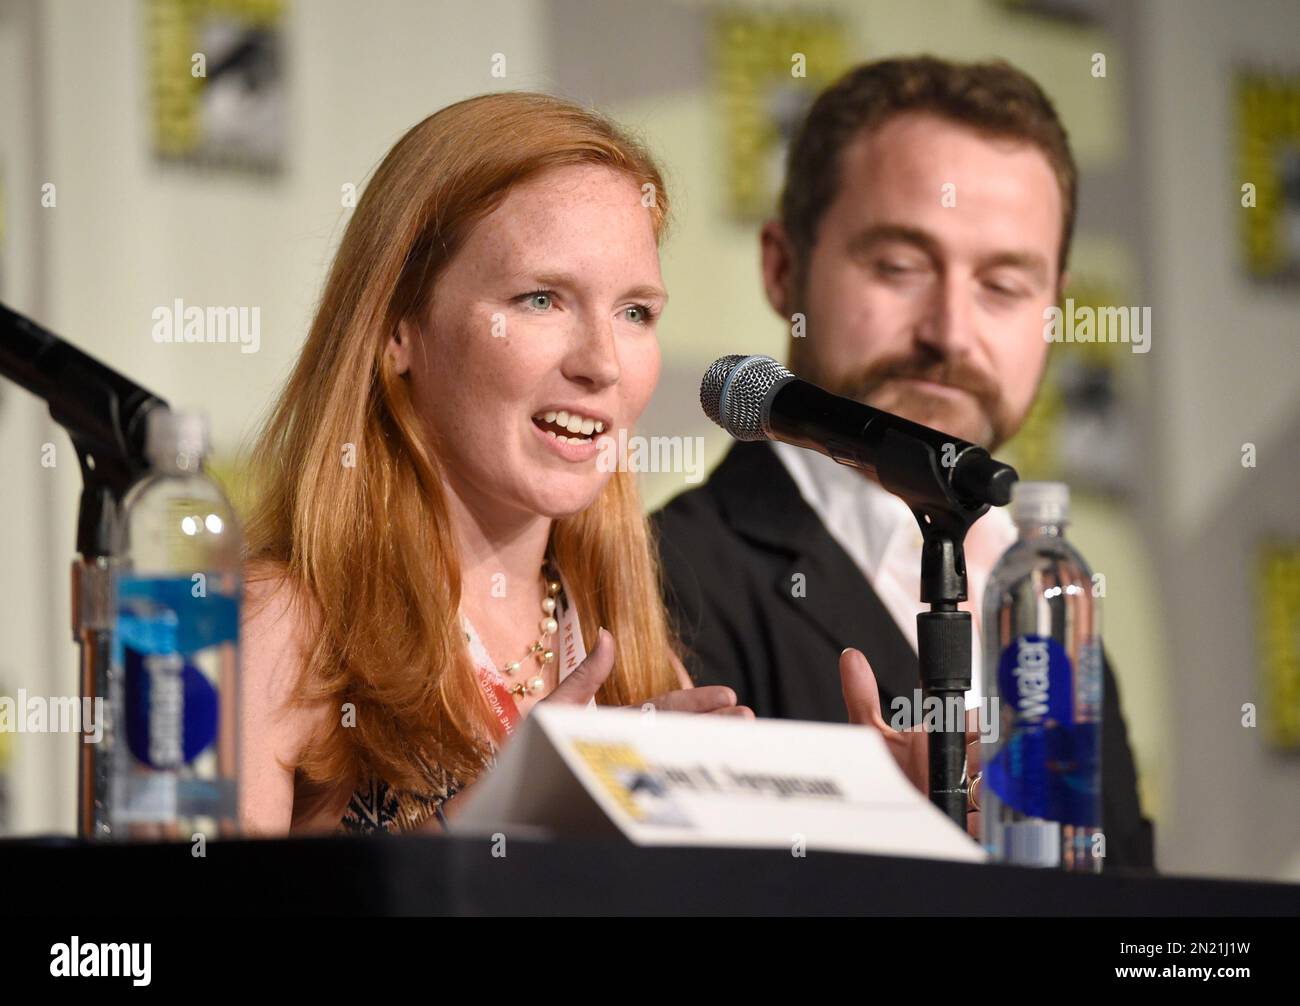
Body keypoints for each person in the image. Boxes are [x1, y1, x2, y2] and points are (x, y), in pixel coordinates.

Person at [654, 56, 1155, 869]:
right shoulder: (670, 577)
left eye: (1003, 283)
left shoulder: (1050, 605)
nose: (950, 331)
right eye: (898, 265)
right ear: (783, 267)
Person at [239, 92, 749, 837]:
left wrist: (896, 836)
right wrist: (479, 830)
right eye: (542, 299)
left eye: (635, 312)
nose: (602, 363)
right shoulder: (274, 628)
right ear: (397, 329)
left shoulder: (638, 660)